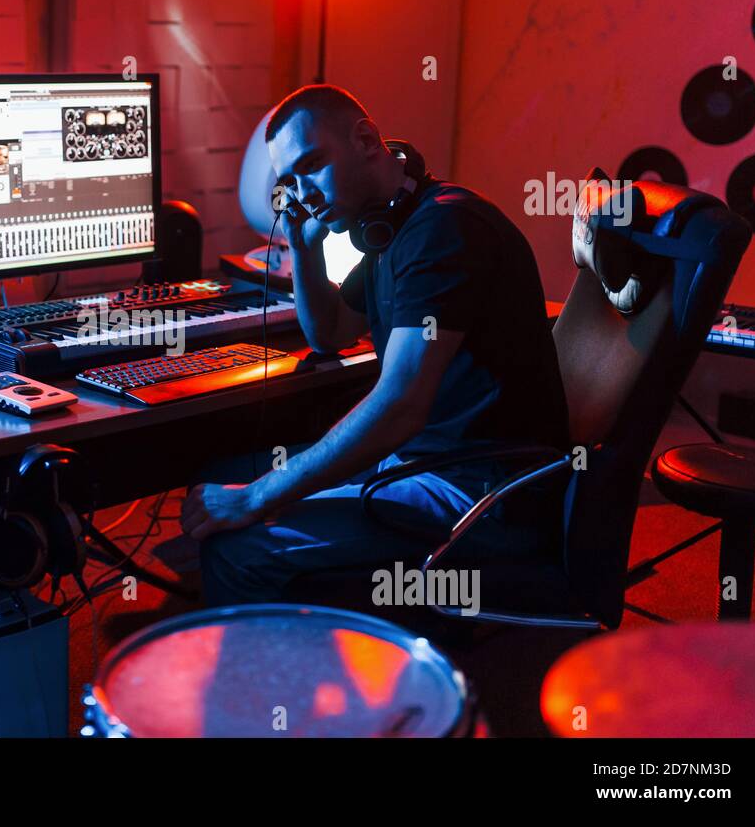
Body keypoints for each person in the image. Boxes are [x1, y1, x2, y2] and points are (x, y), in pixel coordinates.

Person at [182, 84, 570, 606]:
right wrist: (303, 247)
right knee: (219, 476)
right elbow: (330, 331)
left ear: (366, 140)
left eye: (311, 166)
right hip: (425, 463)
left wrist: (255, 499)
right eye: (290, 182)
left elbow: (399, 408)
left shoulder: (445, 229)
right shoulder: (393, 230)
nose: (302, 193)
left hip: (481, 492)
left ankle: (295, 659)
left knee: (238, 550)